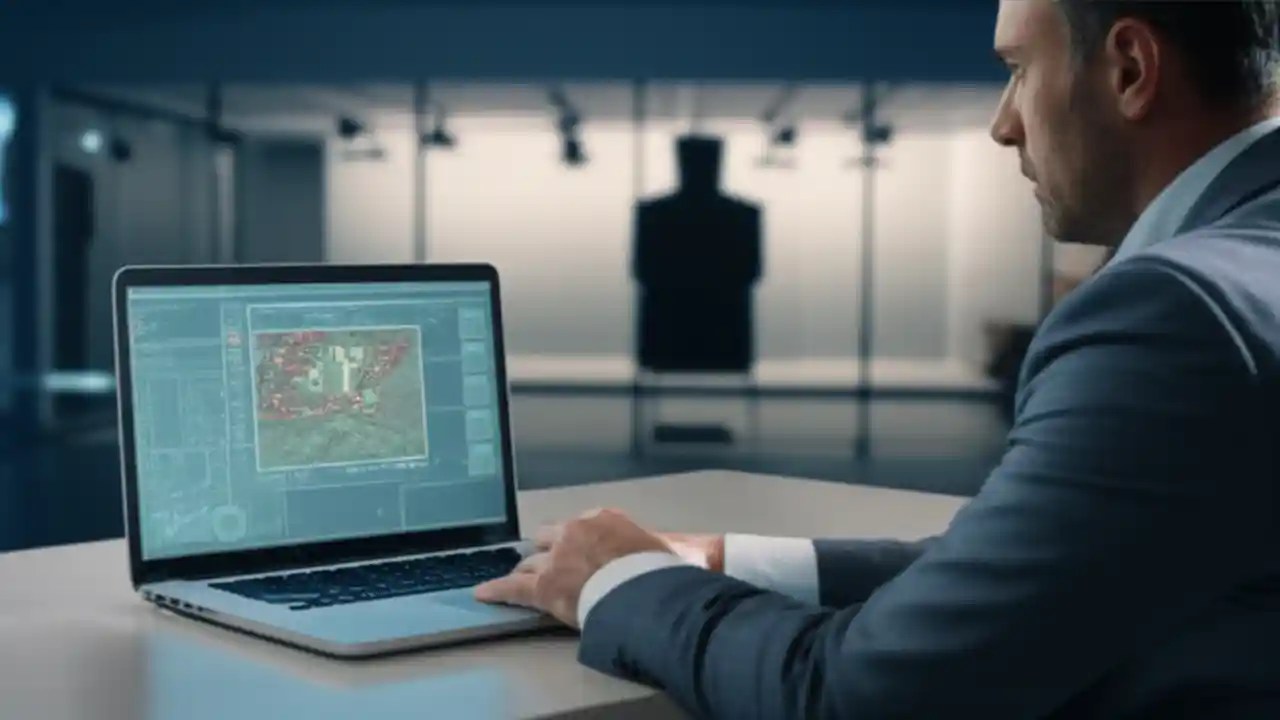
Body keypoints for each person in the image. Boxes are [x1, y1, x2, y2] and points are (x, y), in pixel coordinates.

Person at [477, 1, 1280, 716]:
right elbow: (1053, 561)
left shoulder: (1174, 314)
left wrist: (623, 583)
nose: (1004, 124)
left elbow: (865, 693)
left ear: (1131, 68)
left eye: (1017, 71)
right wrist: (724, 558)